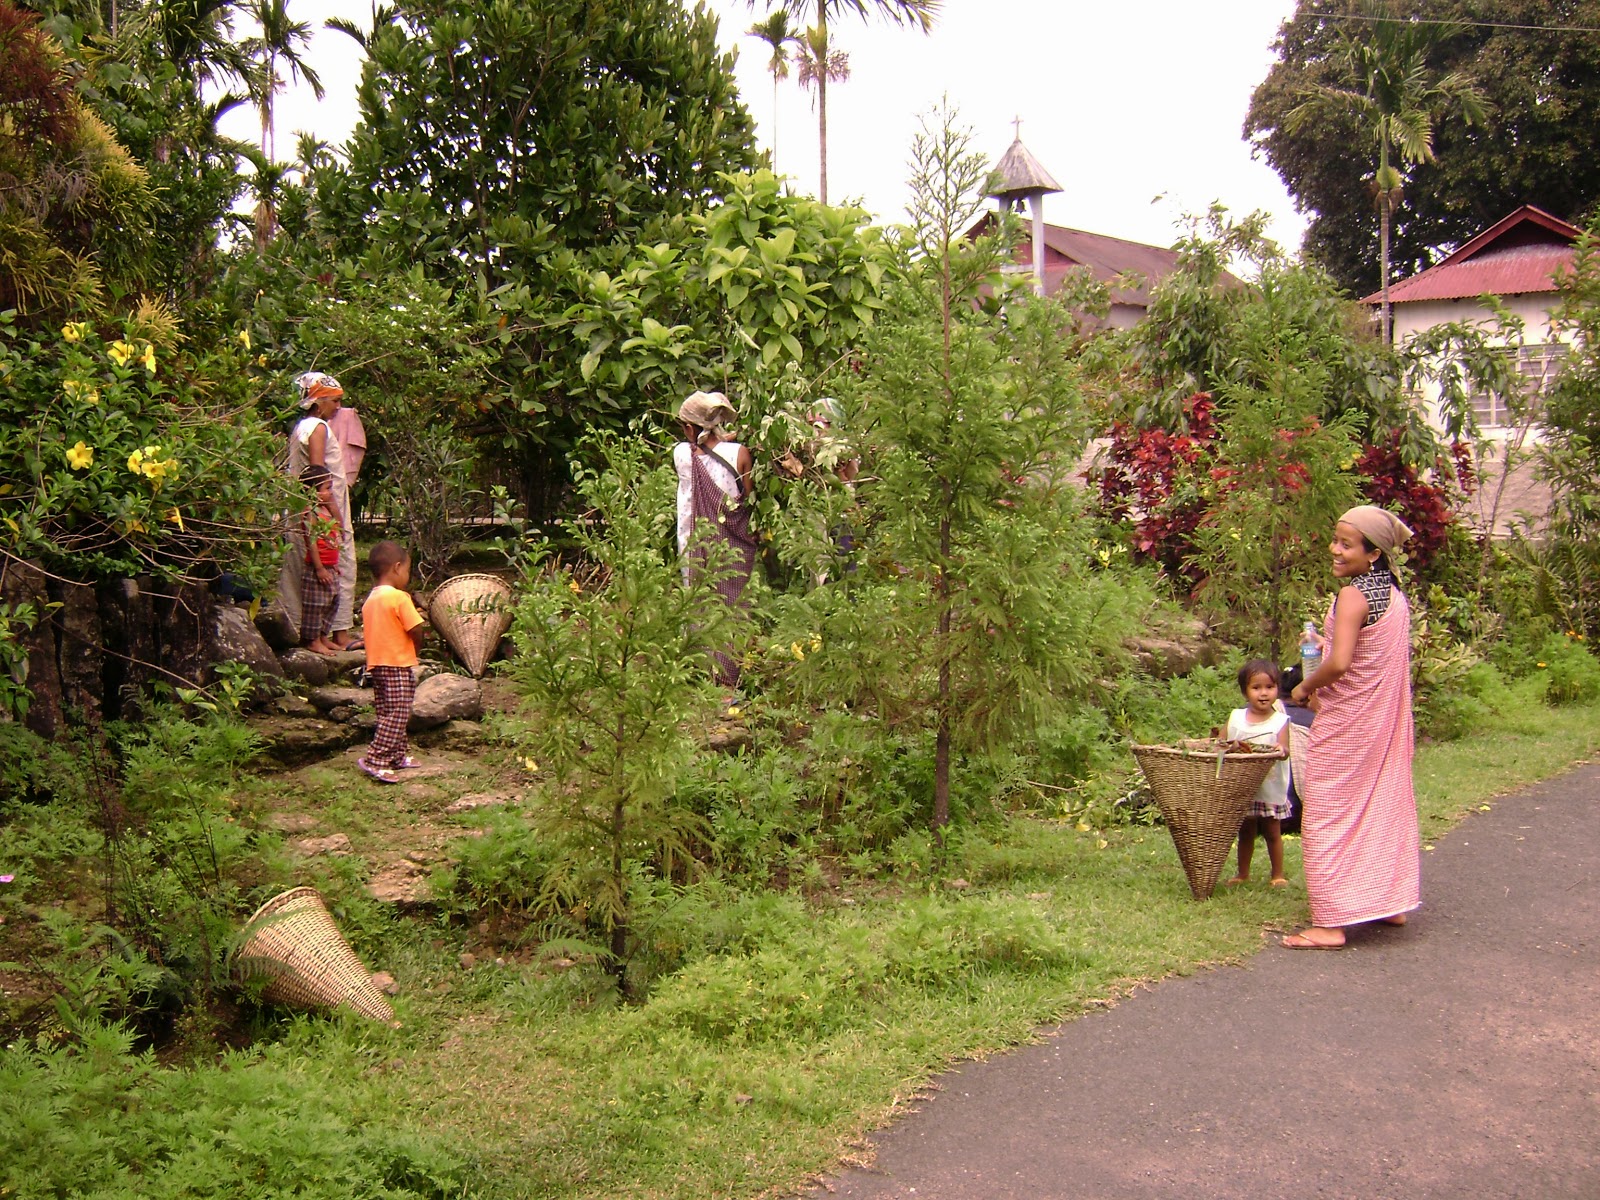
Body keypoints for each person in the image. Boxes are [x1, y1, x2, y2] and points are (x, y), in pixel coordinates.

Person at [1283, 505, 1419, 949]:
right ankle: (1388, 902)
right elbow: (1359, 652)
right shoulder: (1393, 595)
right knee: (1382, 802)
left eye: (1346, 544)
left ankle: (1331, 922)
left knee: (1327, 808)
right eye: (1335, 539)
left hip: (1349, 722)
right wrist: (1325, 646)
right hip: (1383, 721)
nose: (1335, 549)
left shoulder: (1352, 595)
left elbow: (1341, 664)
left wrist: (1304, 688)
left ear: (1373, 553)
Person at [672, 390, 756, 688]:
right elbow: (747, 498)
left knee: (698, 601)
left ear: (691, 429)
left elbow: (697, 452)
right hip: (734, 543)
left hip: (695, 542)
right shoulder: (741, 453)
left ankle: (696, 673)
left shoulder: (681, 455)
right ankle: (728, 679)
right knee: (732, 604)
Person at [282, 372, 363, 650]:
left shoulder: (303, 426)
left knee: (321, 572)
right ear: (320, 401)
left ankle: (330, 633)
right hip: (322, 512)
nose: (338, 407)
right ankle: (325, 635)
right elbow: (317, 474)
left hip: (314, 508)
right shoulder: (317, 427)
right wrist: (328, 512)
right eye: (335, 401)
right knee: (332, 570)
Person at [357, 540, 426, 784]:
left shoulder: (370, 600)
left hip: (377, 663)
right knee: (398, 712)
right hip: (397, 663)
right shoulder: (399, 597)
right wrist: (416, 647)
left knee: (387, 711)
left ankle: (397, 754)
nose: (407, 576)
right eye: (407, 570)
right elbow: (416, 627)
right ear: (397, 568)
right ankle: (376, 758)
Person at [1221, 658, 1292, 888]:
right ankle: (1243, 872)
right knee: (1246, 831)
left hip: (1269, 787)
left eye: (1269, 687)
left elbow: (1285, 750)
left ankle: (1277, 874)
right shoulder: (1236, 718)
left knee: (1272, 830)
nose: (1263, 694)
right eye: (1256, 688)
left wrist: (1280, 750)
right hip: (1244, 787)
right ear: (1245, 692)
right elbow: (1219, 743)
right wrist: (1228, 746)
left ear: (1277, 690)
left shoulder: (1279, 721)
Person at [296, 467, 343, 656]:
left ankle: (324, 635)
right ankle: (312, 640)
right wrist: (319, 568)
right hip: (318, 568)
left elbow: (340, 527)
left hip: (331, 566)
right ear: (312, 491)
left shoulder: (326, 511)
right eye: (326, 488)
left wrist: (333, 506)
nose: (330, 492)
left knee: (333, 601)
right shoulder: (310, 513)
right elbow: (312, 542)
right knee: (316, 605)